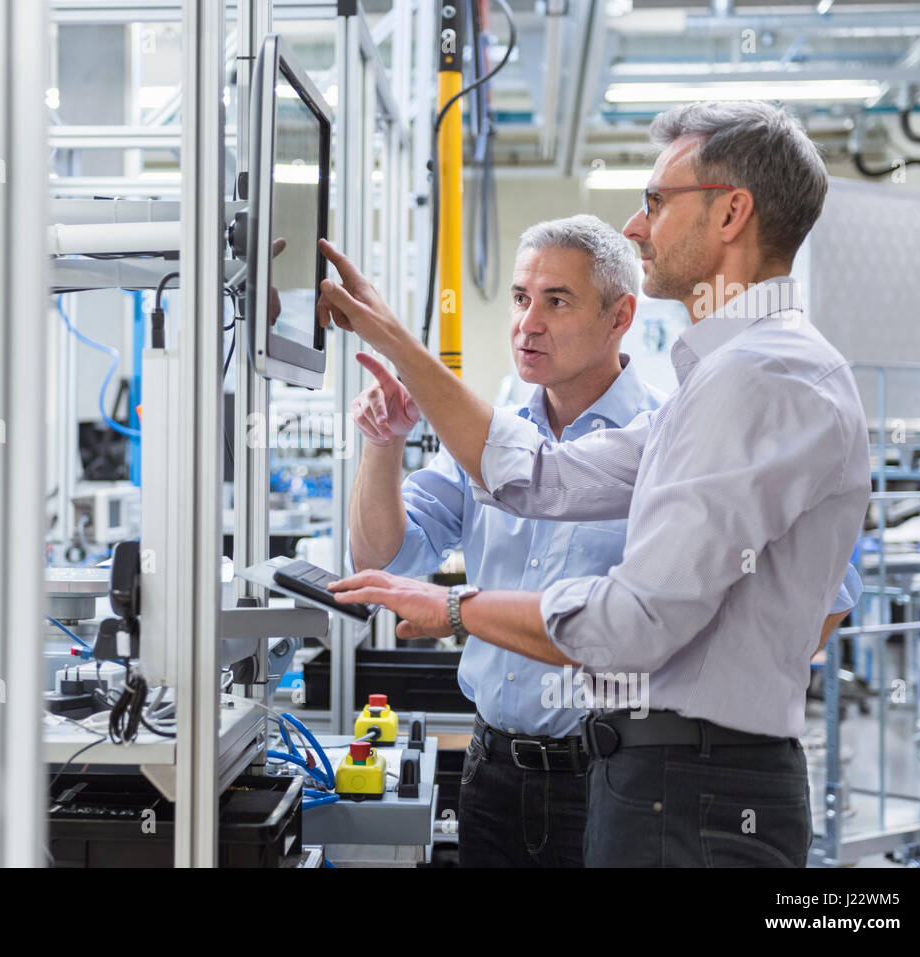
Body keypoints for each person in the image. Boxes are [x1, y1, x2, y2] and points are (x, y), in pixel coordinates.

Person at [316, 100, 869, 867]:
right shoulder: (720, 381)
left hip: (699, 784)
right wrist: (395, 343)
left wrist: (455, 607)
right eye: (521, 299)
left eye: (656, 200)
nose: (637, 226)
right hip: (648, 774)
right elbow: (542, 477)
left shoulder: (764, 376)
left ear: (730, 212)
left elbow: (633, 623)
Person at [349, 215, 666, 866]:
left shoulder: (663, 438)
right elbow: (384, 558)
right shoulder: (489, 436)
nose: (528, 323)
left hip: (612, 777)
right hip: (491, 770)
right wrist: (384, 445)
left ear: (620, 316)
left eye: (557, 301)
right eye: (521, 298)